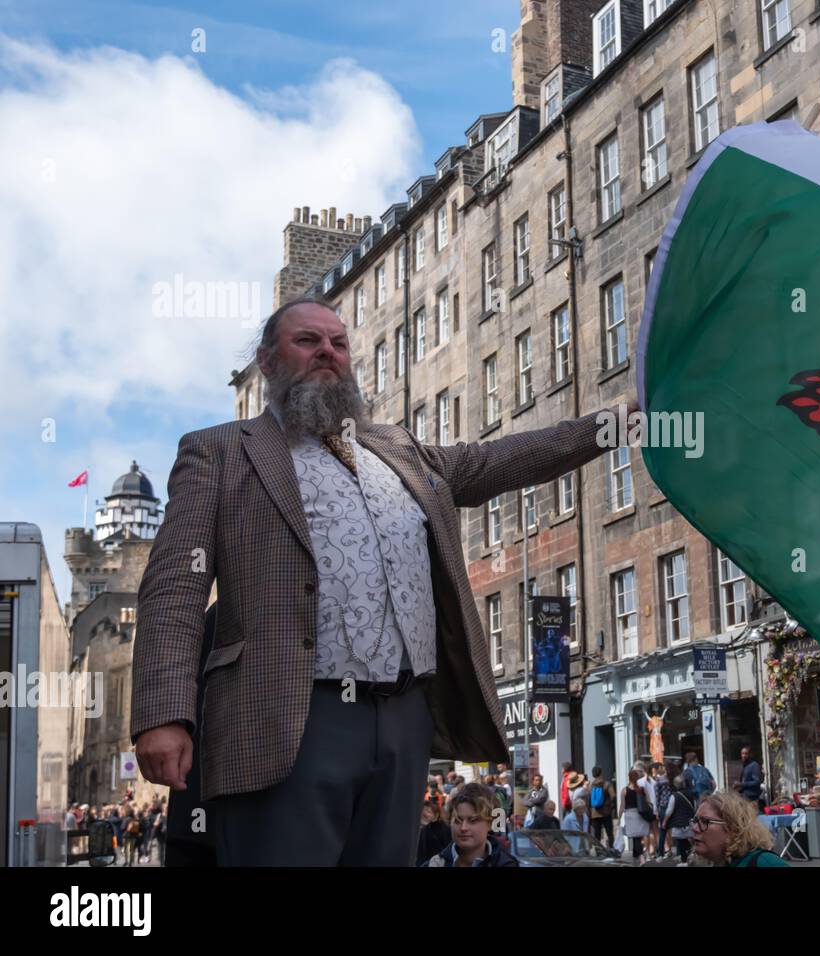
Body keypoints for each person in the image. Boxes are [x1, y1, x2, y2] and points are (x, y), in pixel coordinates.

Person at [131, 295, 635, 866]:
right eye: (307, 340)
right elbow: (174, 588)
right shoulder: (220, 451)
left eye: (338, 342)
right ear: (268, 363)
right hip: (288, 715)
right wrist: (164, 713)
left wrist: (614, 424)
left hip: (403, 717)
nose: (327, 350)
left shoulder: (396, 449)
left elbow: (504, 457)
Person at [425, 783, 518, 867]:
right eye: (457, 820)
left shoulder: (506, 863)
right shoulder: (435, 864)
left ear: (490, 823)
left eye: (473, 820)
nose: (463, 828)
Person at [690, 791, 789, 867]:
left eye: (705, 821)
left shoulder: (765, 862)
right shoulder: (712, 862)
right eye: (695, 820)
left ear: (733, 828)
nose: (695, 828)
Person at [620, 770, 651, 865]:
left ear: (628, 778)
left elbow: (622, 806)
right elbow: (648, 801)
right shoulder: (642, 789)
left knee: (635, 838)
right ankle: (636, 858)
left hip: (630, 815)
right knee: (638, 837)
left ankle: (641, 857)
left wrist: (619, 817)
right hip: (641, 814)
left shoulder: (625, 790)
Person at [664, 776, 696, 865]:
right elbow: (695, 807)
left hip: (678, 822)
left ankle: (684, 860)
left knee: (681, 842)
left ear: (675, 785)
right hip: (690, 821)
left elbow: (669, 810)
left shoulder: (674, 796)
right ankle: (687, 855)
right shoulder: (691, 794)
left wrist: (665, 821)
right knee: (685, 840)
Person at [416, 799, 452, 866]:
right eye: (424, 811)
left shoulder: (446, 828)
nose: (425, 814)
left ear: (436, 814)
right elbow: (420, 854)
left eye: (428, 811)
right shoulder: (423, 829)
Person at [587, 766, 616, 848]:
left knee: (597, 835)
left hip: (595, 814)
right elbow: (613, 796)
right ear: (601, 773)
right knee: (609, 833)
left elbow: (588, 800)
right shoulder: (607, 784)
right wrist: (611, 807)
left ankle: (598, 851)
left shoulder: (590, 786)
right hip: (606, 813)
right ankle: (611, 849)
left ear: (593, 775)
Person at [652, 763, 673, 859]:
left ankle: (661, 852)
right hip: (673, 805)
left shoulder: (658, 781)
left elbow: (657, 797)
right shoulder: (671, 780)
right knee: (672, 829)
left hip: (663, 807)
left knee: (663, 830)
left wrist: (656, 811)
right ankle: (675, 851)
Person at [736, 746, 765, 813]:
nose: (743, 755)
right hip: (744, 798)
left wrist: (741, 784)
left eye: (746, 753)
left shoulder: (754, 765)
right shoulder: (745, 766)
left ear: (750, 754)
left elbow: (757, 782)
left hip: (752, 799)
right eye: (742, 754)